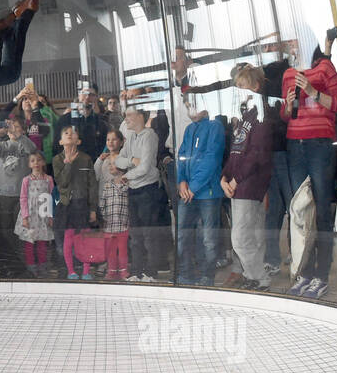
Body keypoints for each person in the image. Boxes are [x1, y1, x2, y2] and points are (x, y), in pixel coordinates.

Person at [282, 38, 337, 298]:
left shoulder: (325, 68)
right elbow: (286, 116)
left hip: (319, 144)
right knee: (299, 211)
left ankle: (321, 276)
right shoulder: (288, 73)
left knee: (321, 212)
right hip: (294, 145)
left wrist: (313, 90)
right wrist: (287, 106)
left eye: (297, 44)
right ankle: (304, 273)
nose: (293, 49)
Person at [220, 65, 275, 289]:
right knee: (250, 236)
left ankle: (260, 278)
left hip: (249, 185)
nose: (239, 91)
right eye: (238, 87)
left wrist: (235, 179)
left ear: (255, 87)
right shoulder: (244, 118)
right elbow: (235, 153)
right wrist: (224, 177)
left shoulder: (261, 115)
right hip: (237, 185)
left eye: (242, 86)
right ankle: (255, 278)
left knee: (240, 239)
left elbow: (256, 155)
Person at [175, 100, 226, 287]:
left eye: (194, 105)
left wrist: (192, 187)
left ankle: (207, 277)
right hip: (187, 192)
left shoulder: (215, 127)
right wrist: (181, 181)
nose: (191, 109)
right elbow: (181, 156)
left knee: (209, 239)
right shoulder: (189, 129)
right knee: (183, 235)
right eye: (188, 106)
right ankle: (186, 275)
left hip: (208, 194)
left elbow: (211, 159)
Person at [117, 108, 166, 283]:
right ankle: (137, 271)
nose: (126, 118)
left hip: (148, 190)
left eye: (130, 115)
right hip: (133, 190)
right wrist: (131, 161)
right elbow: (118, 160)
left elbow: (145, 167)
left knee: (148, 234)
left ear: (140, 117)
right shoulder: (131, 137)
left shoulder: (150, 136)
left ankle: (151, 272)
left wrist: (126, 175)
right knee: (136, 234)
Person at [52, 125, 98, 280]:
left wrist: (92, 208)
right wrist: (68, 163)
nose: (70, 135)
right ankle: (71, 271)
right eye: (66, 133)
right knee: (68, 238)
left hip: (82, 204)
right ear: (60, 141)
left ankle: (86, 271)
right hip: (67, 204)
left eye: (73, 133)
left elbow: (92, 185)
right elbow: (62, 183)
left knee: (85, 238)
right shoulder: (57, 160)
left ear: (78, 141)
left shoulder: (86, 159)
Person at [0, 115, 34, 240]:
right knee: (6, 227)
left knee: (22, 227)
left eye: (16, 127)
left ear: (24, 130)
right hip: (5, 193)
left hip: (23, 193)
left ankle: (21, 254)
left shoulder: (25, 144)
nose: (12, 130)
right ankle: (10, 254)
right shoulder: (3, 146)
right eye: (11, 127)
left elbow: (32, 149)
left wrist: (19, 136)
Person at [95, 130, 130, 281]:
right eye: (108, 139)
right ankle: (111, 270)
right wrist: (100, 159)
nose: (110, 142)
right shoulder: (103, 160)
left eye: (114, 139)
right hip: (108, 220)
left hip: (122, 222)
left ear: (121, 141)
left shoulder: (125, 161)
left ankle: (123, 270)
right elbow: (96, 174)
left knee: (122, 249)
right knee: (110, 249)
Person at [16, 151, 55, 276]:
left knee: (42, 242)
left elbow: (52, 198)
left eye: (39, 160)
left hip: (43, 216)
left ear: (43, 162)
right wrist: (25, 217)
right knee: (29, 243)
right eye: (33, 160)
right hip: (30, 216)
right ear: (29, 164)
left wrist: (51, 215)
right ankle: (31, 267)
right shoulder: (26, 180)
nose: (36, 163)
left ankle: (43, 266)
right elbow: (23, 198)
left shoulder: (49, 179)